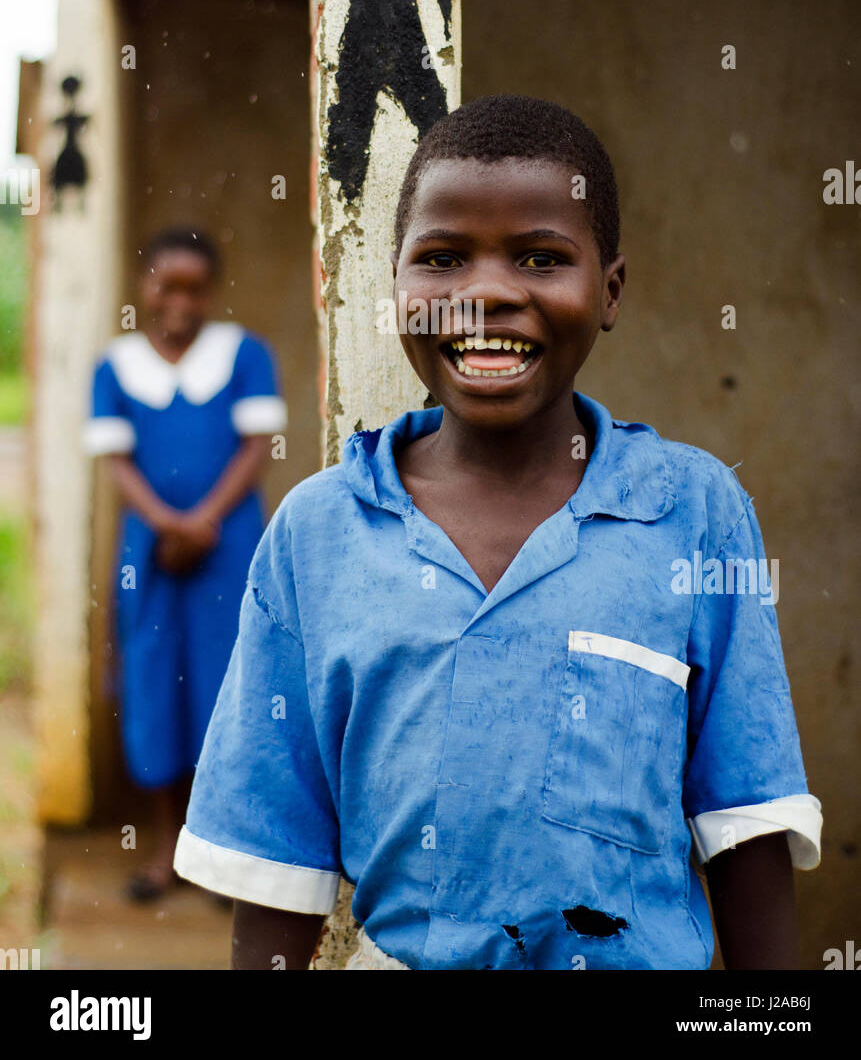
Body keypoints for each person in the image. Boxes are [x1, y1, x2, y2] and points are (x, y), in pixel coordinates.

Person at [173, 96, 821, 969]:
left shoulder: (692, 512)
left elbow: (745, 831)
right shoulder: (318, 534)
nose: (484, 294)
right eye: (441, 260)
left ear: (609, 291)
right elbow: (275, 862)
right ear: (396, 288)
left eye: (540, 258)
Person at [84, 225, 286, 901]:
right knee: (152, 684)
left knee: (226, 685)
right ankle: (162, 851)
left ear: (211, 293)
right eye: (166, 284)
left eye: (195, 288)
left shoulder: (245, 355)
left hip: (227, 546)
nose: (179, 300)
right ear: (144, 284)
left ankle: (220, 853)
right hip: (151, 552)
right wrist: (168, 523)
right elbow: (116, 460)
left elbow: (255, 448)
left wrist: (201, 521)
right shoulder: (115, 367)